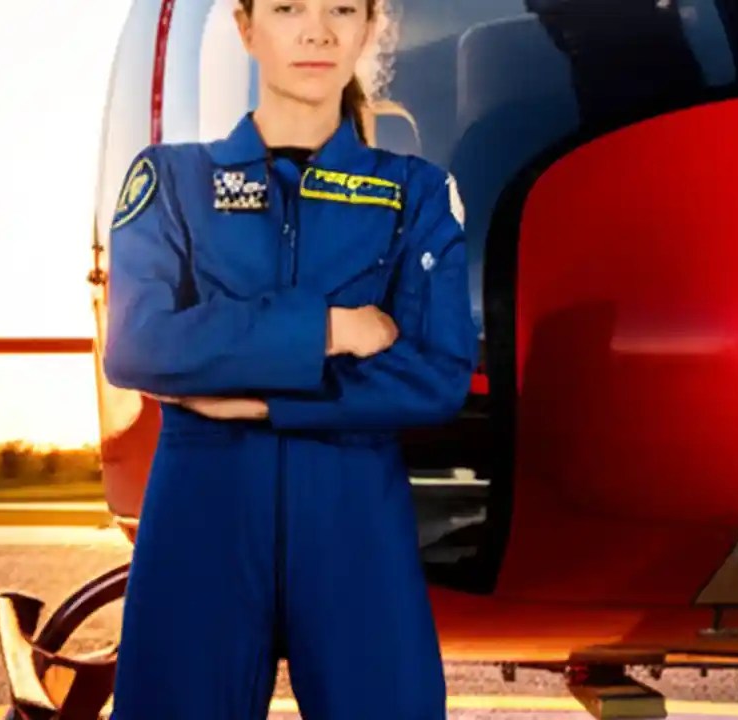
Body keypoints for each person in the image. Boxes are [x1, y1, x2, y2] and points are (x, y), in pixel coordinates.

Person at [102, 0, 477, 717]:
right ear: (245, 28)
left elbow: (435, 377)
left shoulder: (416, 193)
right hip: (200, 524)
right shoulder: (170, 183)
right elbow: (141, 343)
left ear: (370, 27)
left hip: (355, 524)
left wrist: (261, 399)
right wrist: (328, 330)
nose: (316, 30)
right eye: (286, 7)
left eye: (341, 8)